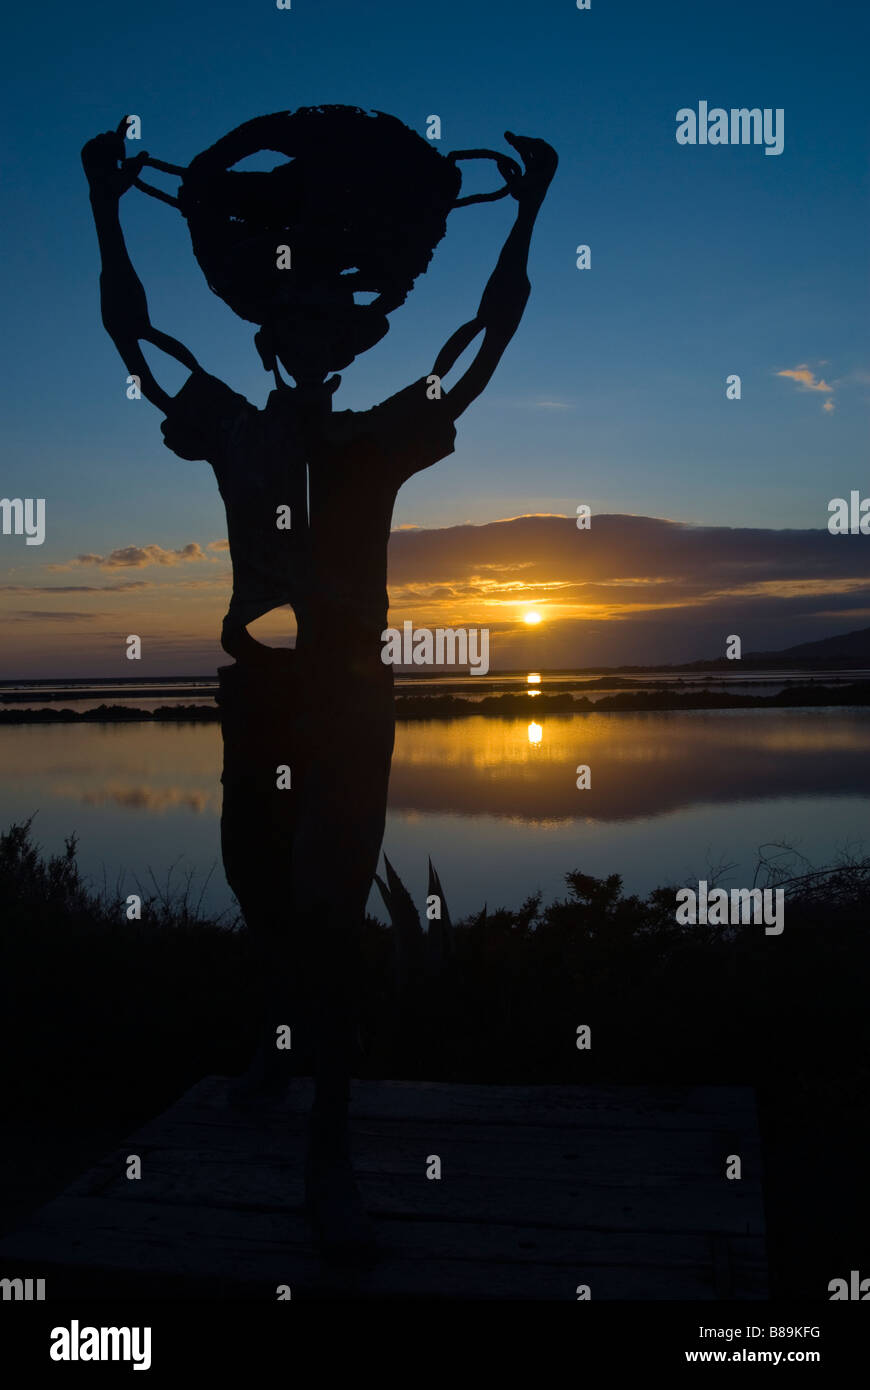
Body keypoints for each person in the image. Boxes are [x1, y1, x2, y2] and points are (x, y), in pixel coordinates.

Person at [82, 111, 557, 1258]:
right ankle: (279, 1043)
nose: (305, 341)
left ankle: (330, 1147)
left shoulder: (385, 437)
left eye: (325, 325)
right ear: (269, 341)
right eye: (288, 323)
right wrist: (103, 199)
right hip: (258, 697)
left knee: (332, 913)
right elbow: (134, 339)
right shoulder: (234, 432)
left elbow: (484, 340)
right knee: (258, 884)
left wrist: (533, 208)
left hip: (348, 696)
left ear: (345, 342)